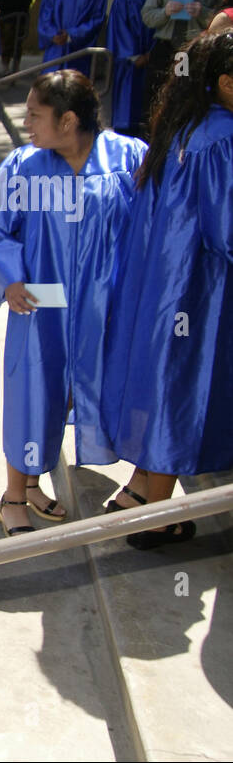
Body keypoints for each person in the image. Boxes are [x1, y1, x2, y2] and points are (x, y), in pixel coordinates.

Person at [0, 71, 146, 536]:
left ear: (68, 120)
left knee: (97, 388)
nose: (26, 121)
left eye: (35, 114)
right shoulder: (23, 166)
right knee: (32, 391)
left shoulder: (128, 158)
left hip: (104, 307)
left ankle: (40, 483)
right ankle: (15, 494)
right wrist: (10, 280)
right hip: (43, 302)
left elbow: (153, 226)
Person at [102, 30, 233, 549]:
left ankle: (140, 489)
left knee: (161, 380)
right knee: (181, 388)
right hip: (197, 289)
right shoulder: (222, 136)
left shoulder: (182, 127)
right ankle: (157, 512)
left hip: (163, 284)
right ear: (225, 82)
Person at [106, 0, 156, 137]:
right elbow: (119, 31)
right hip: (129, 64)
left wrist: (152, 53)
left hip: (151, 60)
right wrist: (135, 56)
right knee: (127, 110)